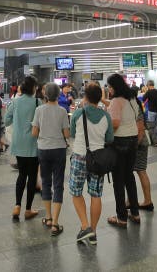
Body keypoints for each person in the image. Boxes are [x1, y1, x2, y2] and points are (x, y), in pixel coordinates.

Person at [69, 83, 114, 244]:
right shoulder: (106, 116)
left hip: (80, 156)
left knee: (76, 191)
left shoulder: (78, 113)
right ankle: (93, 232)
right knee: (96, 194)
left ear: (86, 97)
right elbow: (109, 139)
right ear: (100, 98)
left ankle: (85, 225)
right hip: (99, 159)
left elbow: (72, 133)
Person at [32, 83, 70, 236]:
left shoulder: (39, 110)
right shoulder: (62, 111)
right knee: (58, 184)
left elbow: (34, 132)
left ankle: (47, 217)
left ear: (45, 95)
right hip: (59, 150)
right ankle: (55, 223)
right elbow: (67, 134)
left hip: (43, 149)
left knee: (46, 183)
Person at [106, 73, 143, 227]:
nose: (108, 89)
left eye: (109, 86)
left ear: (115, 86)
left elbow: (115, 123)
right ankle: (135, 213)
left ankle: (121, 217)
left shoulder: (116, 101)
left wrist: (106, 134)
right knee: (129, 177)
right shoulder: (132, 99)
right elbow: (137, 119)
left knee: (118, 180)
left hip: (119, 141)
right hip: (133, 139)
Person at [5, 75, 40, 220]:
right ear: (33, 88)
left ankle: (17, 205)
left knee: (21, 174)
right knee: (32, 177)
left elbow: (6, 120)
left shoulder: (15, 102)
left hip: (18, 143)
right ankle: (28, 209)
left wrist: (17, 123)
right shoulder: (38, 102)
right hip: (33, 143)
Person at [132, 91, 154, 211]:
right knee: (141, 171)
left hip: (138, 144)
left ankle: (147, 201)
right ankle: (146, 200)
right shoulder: (137, 105)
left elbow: (140, 130)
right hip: (140, 142)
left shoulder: (135, 109)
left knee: (139, 171)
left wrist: (135, 145)